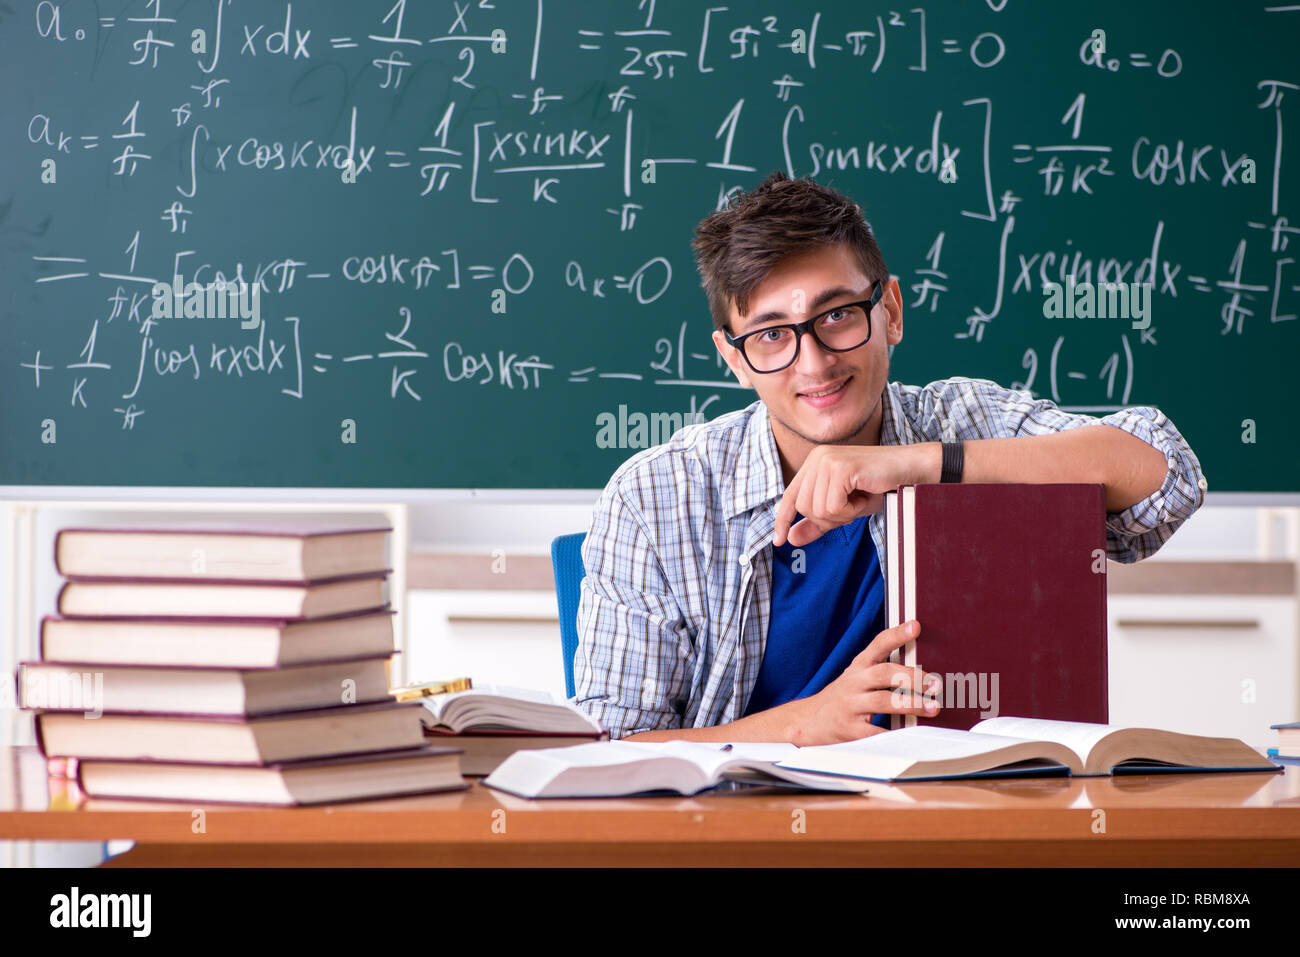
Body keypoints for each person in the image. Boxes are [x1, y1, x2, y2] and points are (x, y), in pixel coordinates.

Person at [573, 171, 1206, 745]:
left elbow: (1164, 472)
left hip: (959, 822)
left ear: (891, 312)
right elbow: (607, 754)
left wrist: (922, 466)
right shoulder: (655, 496)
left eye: (839, 315)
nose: (815, 362)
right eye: (771, 336)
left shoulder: (959, 424)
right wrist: (805, 724)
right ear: (735, 358)